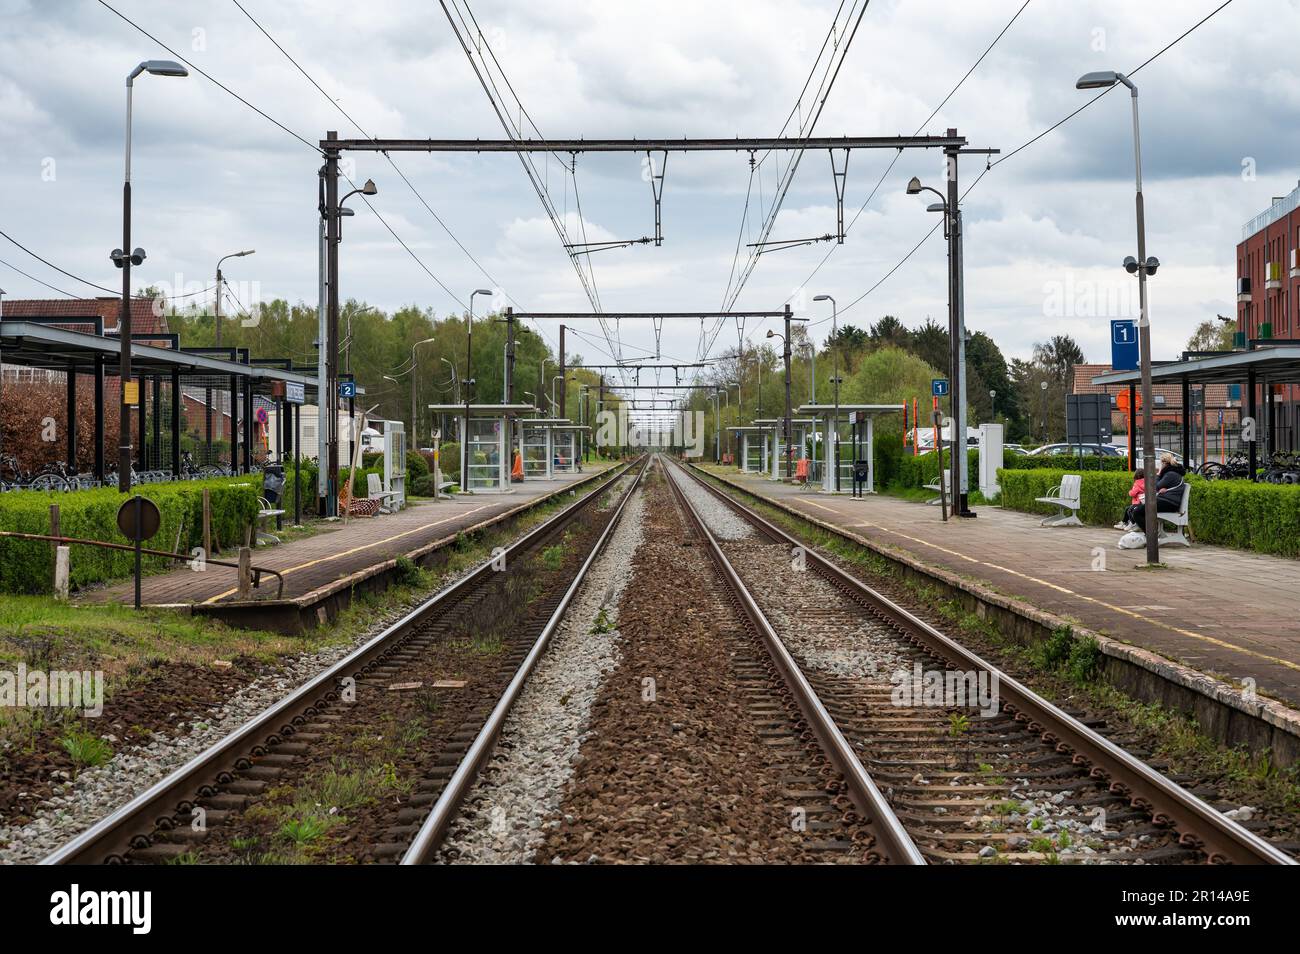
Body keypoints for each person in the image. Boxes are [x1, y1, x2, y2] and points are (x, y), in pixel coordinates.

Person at [1118, 454, 1184, 532]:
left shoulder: (1170, 474)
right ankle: (1149, 533)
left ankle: (1151, 536)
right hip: (1169, 502)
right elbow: (1158, 487)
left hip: (1169, 503)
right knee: (1136, 509)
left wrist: (1159, 474)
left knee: (1137, 512)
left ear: (1164, 463)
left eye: (1160, 463)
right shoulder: (1172, 473)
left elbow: (1154, 486)